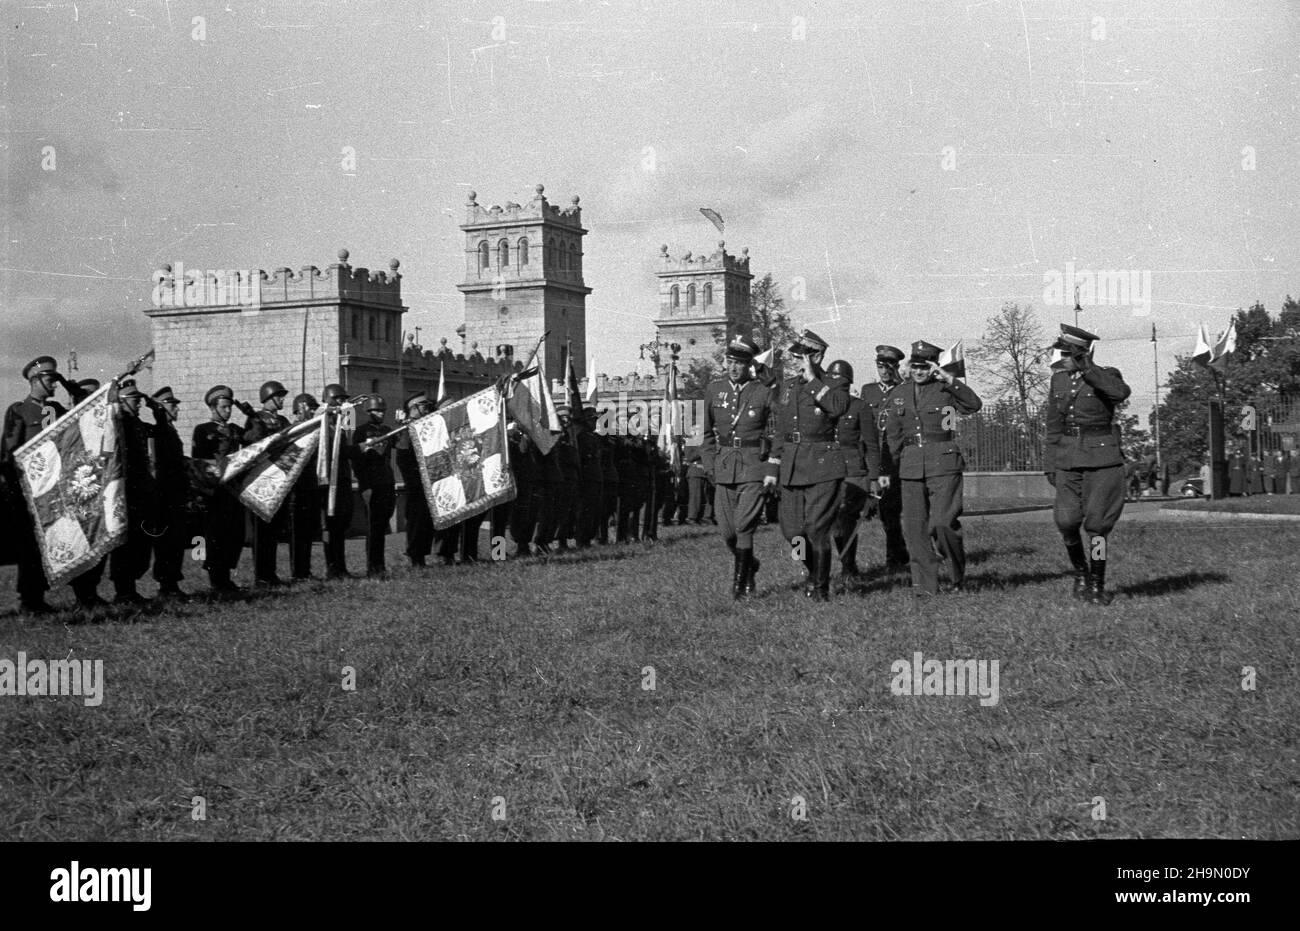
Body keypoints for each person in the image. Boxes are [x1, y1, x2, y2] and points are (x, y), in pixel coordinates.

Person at [881, 340, 983, 597]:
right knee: (914, 529)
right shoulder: (899, 394)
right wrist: (886, 471)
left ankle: (957, 575)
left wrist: (949, 379)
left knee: (942, 524)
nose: (919, 372)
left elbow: (974, 404)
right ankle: (926, 587)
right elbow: (892, 435)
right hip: (910, 465)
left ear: (933, 367)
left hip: (943, 461)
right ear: (908, 367)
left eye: (924, 367)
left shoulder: (946, 390)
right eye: (915, 367)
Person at [1042, 324, 1131, 606]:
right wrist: (1050, 464)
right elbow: (1053, 427)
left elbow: (1120, 393)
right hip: (1068, 459)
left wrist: (1088, 368)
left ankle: (1096, 583)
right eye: (1062, 351)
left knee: (1097, 527)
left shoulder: (1106, 376)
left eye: (1069, 353)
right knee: (1065, 521)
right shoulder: (1058, 381)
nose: (1062, 357)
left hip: (1102, 460)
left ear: (1083, 353)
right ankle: (1080, 571)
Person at [2, 356, 90, 613]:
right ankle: (30, 599)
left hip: (57, 490)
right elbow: (9, 451)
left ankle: (81, 594)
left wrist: (70, 387)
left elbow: (81, 415)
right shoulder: (18, 410)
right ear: (35, 380)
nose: (54, 384)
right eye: (51, 379)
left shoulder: (57, 410)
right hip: (29, 491)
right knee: (31, 548)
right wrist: (15, 490)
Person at [769, 329, 851, 601]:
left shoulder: (833, 383)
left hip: (822, 465)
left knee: (817, 529)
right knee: (792, 533)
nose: (794, 360)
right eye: (793, 356)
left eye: (800, 356)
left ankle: (820, 588)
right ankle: (814, 572)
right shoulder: (789, 386)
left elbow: (838, 408)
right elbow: (781, 430)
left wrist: (814, 380)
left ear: (817, 356)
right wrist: (772, 468)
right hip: (792, 465)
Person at [700, 335, 776, 598]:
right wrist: (709, 464)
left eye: (740, 363)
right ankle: (750, 564)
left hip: (753, 463)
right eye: (730, 361)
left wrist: (774, 383)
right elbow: (706, 432)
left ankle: (741, 586)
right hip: (723, 465)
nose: (733, 368)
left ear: (749, 365)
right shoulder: (714, 389)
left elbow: (784, 414)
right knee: (727, 529)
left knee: (744, 526)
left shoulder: (762, 390)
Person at [191, 384, 250, 595]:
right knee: (216, 536)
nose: (228, 411)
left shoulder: (234, 429)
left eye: (229, 407)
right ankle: (217, 580)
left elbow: (253, 440)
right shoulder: (203, 430)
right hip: (215, 492)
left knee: (235, 534)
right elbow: (199, 461)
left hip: (233, 490)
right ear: (213, 408)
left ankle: (226, 577)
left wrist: (252, 417)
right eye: (224, 407)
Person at [827, 360, 880, 579]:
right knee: (831, 519)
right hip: (828, 467)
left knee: (845, 517)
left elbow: (871, 444)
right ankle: (811, 564)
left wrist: (874, 477)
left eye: (843, 383)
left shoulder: (859, 407)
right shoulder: (822, 406)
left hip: (853, 469)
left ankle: (848, 565)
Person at [859, 345, 909, 570]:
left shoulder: (905, 389)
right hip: (876, 455)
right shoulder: (868, 391)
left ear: (897, 368)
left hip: (899, 458)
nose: (884, 371)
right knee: (885, 510)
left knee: (893, 508)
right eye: (880, 367)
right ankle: (898, 554)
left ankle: (897, 555)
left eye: (889, 367)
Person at [241, 380, 291, 587]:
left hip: (280, 479)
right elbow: (252, 443)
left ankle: (271, 573)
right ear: (267, 398)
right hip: (262, 479)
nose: (281, 400)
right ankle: (261, 575)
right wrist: (255, 424)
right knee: (261, 531)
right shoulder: (255, 419)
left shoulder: (284, 421)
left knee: (273, 531)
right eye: (278, 396)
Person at [148, 386, 192, 600]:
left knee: (176, 541)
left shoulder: (170, 430)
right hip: (164, 495)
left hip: (176, 494)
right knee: (166, 542)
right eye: (172, 404)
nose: (176, 408)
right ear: (160, 408)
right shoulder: (158, 431)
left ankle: (172, 582)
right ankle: (166, 585)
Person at [353, 395, 396, 578]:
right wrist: (364, 483)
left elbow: (398, 445)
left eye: (382, 411)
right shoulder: (361, 431)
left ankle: (381, 564)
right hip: (370, 483)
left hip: (386, 480)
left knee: (382, 525)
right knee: (373, 526)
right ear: (369, 412)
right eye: (376, 411)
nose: (380, 414)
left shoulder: (387, 429)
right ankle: (373, 565)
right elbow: (357, 460)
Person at [320, 384, 356, 579]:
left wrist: (348, 413)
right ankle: (331, 566)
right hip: (327, 480)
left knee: (342, 524)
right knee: (330, 524)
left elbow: (350, 437)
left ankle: (341, 566)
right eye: (339, 400)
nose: (343, 403)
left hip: (342, 477)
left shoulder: (342, 423)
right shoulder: (322, 422)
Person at [394, 392, 435, 567]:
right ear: (413, 408)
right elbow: (402, 453)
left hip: (429, 481)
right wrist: (404, 427)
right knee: (417, 520)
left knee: (427, 521)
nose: (426, 407)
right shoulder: (405, 429)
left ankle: (424, 555)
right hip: (415, 482)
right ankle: (416, 557)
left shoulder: (427, 425)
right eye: (423, 405)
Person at [288, 393, 322, 580]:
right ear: (299, 408)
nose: (312, 411)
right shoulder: (294, 429)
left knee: (308, 531)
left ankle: (305, 569)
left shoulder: (313, 429)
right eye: (309, 408)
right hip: (297, 487)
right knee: (297, 532)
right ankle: (298, 571)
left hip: (310, 484)